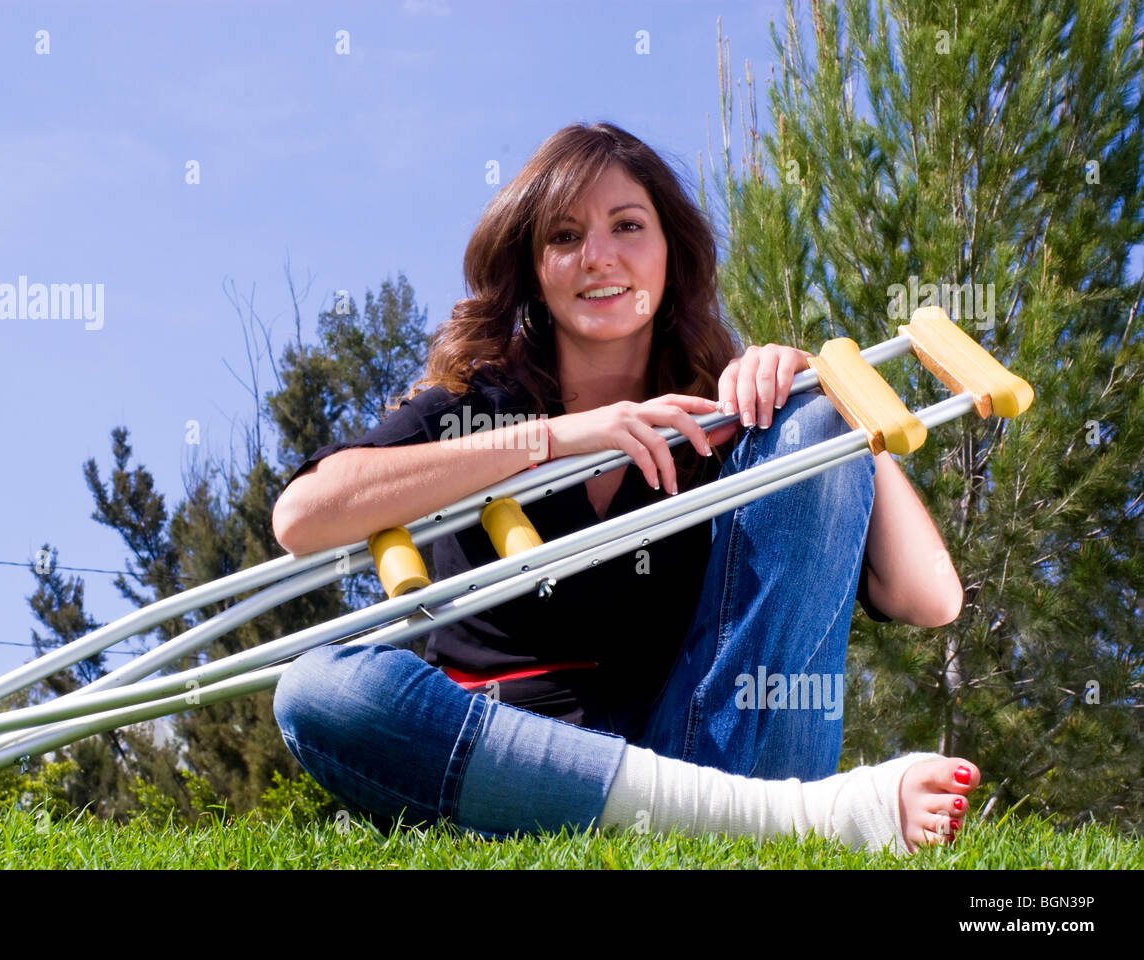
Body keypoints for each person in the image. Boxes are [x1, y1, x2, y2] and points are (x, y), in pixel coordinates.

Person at [269, 122, 977, 855]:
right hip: (504, 766)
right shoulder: (480, 405)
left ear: (671, 252)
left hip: (711, 749)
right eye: (566, 236)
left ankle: (729, 813)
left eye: (627, 226)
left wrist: (828, 402)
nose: (598, 257)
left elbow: (929, 599)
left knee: (818, 416)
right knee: (322, 690)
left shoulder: (726, 416)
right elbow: (303, 516)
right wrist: (553, 440)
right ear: (535, 268)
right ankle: (779, 824)